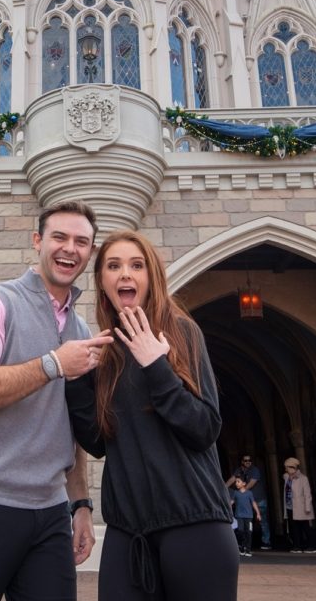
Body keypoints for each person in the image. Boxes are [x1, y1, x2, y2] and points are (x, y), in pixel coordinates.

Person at [0, 200, 113, 601]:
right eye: (59, 237)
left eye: (82, 242)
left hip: (49, 513)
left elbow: (70, 427)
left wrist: (80, 503)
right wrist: (53, 364)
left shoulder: (80, 328)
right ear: (37, 241)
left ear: (90, 252)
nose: (70, 249)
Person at [66, 230, 239, 601]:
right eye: (113, 266)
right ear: (102, 281)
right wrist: (76, 383)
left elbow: (204, 428)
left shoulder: (181, 332)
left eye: (136, 265)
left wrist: (156, 366)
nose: (125, 274)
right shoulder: (107, 352)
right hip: (128, 533)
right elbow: (98, 441)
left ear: (151, 277)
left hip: (195, 524)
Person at [225, 453, 271, 550]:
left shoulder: (255, 470)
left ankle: (266, 542)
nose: (248, 462)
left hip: (258, 499)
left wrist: (240, 492)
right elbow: (231, 480)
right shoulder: (239, 470)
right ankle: (246, 543)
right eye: (245, 460)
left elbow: (251, 483)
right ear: (242, 462)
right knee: (245, 521)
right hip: (246, 502)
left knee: (262, 521)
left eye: (249, 460)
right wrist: (223, 488)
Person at [282, 458, 316, 553]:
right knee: (294, 527)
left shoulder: (303, 478)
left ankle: (312, 546)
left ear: (292, 468)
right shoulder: (287, 477)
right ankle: (297, 546)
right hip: (290, 506)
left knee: (305, 526)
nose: (286, 470)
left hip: (301, 507)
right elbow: (284, 476)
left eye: (287, 467)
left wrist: (308, 507)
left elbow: (307, 494)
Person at [231, 476, 261, 558]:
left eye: (238, 481)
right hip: (239, 516)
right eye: (236, 482)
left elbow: (253, 503)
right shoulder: (235, 493)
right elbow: (232, 502)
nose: (236, 483)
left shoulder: (249, 493)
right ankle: (242, 547)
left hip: (249, 516)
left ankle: (248, 550)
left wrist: (258, 513)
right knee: (240, 531)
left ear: (244, 483)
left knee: (249, 532)